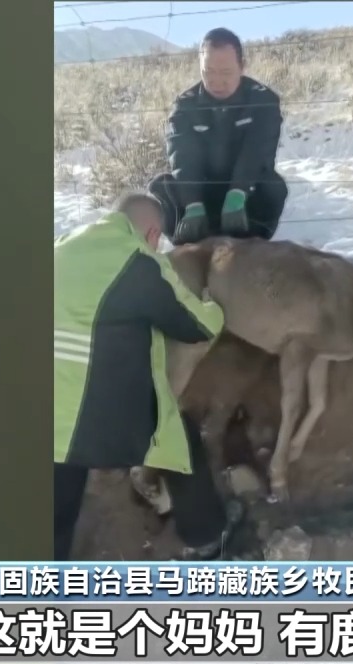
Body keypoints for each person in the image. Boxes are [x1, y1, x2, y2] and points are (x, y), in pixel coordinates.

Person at [53, 192, 243, 564]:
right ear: (153, 233)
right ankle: (206, 535)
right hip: (97, 415)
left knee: (56, 494)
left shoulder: (61, 247)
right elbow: (196, 326)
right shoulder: (138, 261)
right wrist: (212, 301)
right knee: (177, 436)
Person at [148, 27, 289, 246]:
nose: (216, 81)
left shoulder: (263, 100)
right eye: (208, 72)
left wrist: (237, 193)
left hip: (245, 194)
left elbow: (258, 152)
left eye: (225, 72)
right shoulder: (185, 105)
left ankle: (249, 245)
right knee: (160, 187)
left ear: (242, 66)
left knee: (274, 187)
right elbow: (182, 156)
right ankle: (189, 245)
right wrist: (192, 203)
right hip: (201, 192)